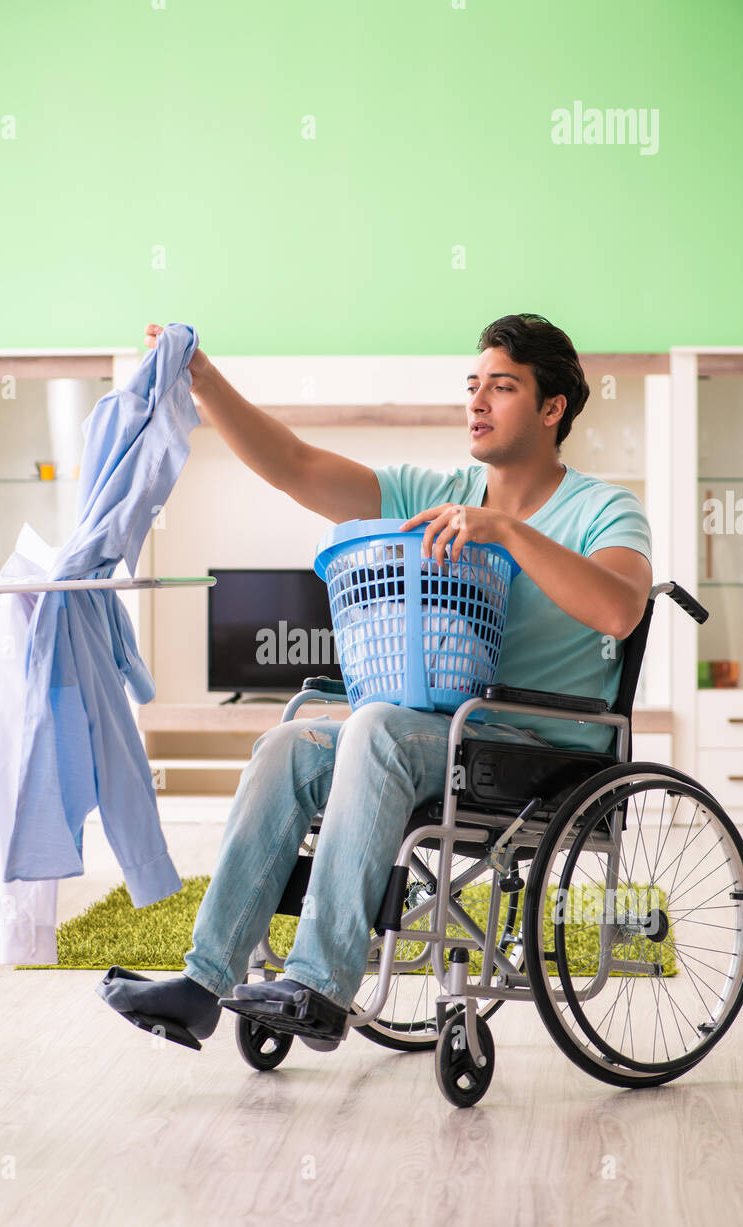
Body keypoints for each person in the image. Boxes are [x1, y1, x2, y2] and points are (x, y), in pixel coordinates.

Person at [97, 312, 653, 1050]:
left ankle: (321, 985)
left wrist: (506, 532)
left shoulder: (602, 508)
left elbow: (618, 607)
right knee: (289, 742)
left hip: (540, 750)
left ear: (552, 409)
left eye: (503, 387)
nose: (477, 402)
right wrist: (204, 378)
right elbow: (296, 465)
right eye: (472, 386)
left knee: (375, 725)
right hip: (441, 731)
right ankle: (205, 982)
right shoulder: (442, 488)